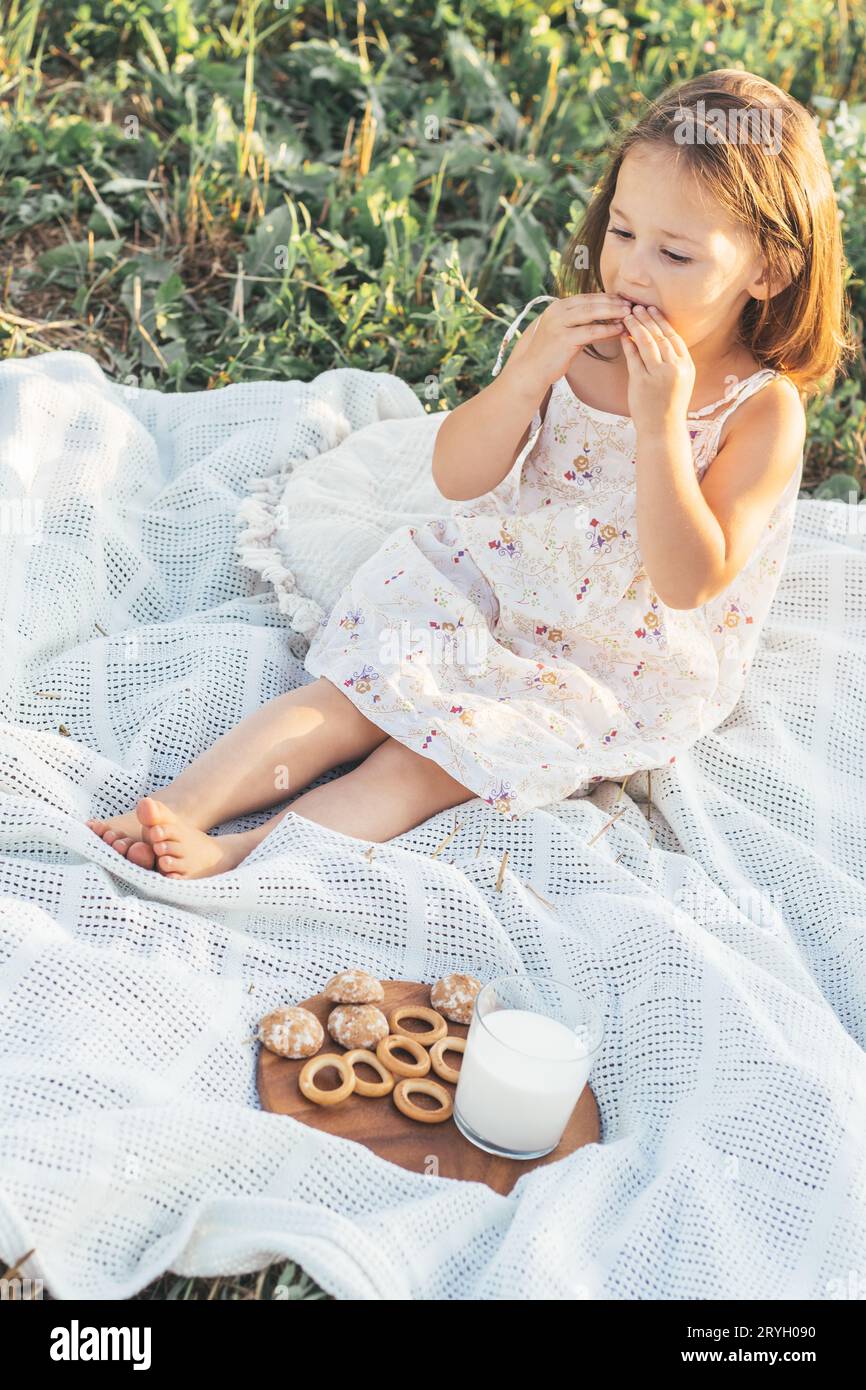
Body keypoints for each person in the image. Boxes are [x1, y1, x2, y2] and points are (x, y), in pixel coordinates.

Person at [86, 68, 854, 878]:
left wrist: (663, 422)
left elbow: (688, 579)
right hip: (504, 579)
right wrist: (523, 380)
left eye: (674, 253)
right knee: (355, 690)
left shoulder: (759, 411)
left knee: (430, 758)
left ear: (768, 270)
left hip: (617, 653)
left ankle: (244, 850)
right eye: (622, 234)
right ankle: (176, 807)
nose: (632, 272)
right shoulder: (583, 345)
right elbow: (458, 474)